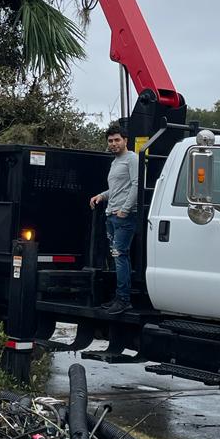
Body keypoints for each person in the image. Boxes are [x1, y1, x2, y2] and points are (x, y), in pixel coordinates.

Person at [89, 123, 138, 314]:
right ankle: (118, 297)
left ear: (125, 140)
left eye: (117, 140)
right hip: (111, 215)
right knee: (116, 257)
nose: (113, 144)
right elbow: (117, 189)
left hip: (124, 217)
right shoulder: (115, 162)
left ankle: (124, 299)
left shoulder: (131, 159)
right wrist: (102, 196)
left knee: (120, 256)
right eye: (110, 141)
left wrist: (125, 210)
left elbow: (136, 185)